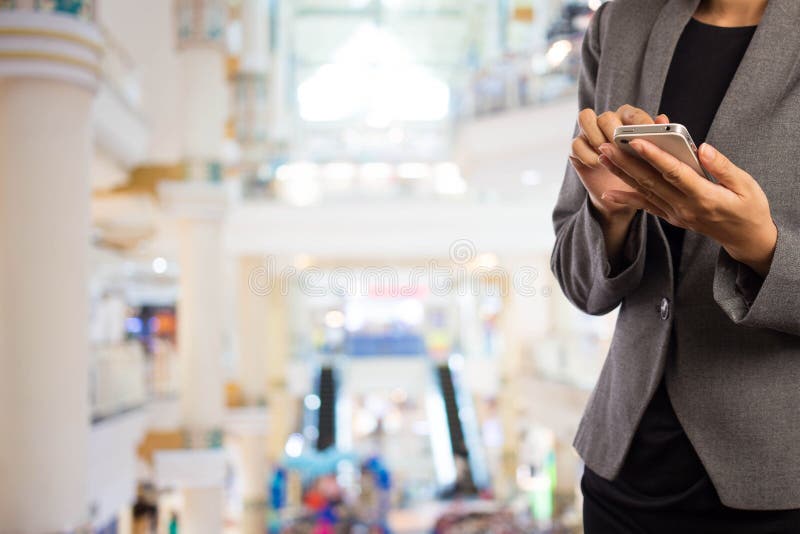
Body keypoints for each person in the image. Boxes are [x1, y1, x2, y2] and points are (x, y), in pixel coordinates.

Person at [550, 0, 800, 531]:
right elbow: (579, 283)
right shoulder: (621, 21)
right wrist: (608, 211)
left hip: (779, 484)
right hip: (625, 472)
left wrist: (758, 245)